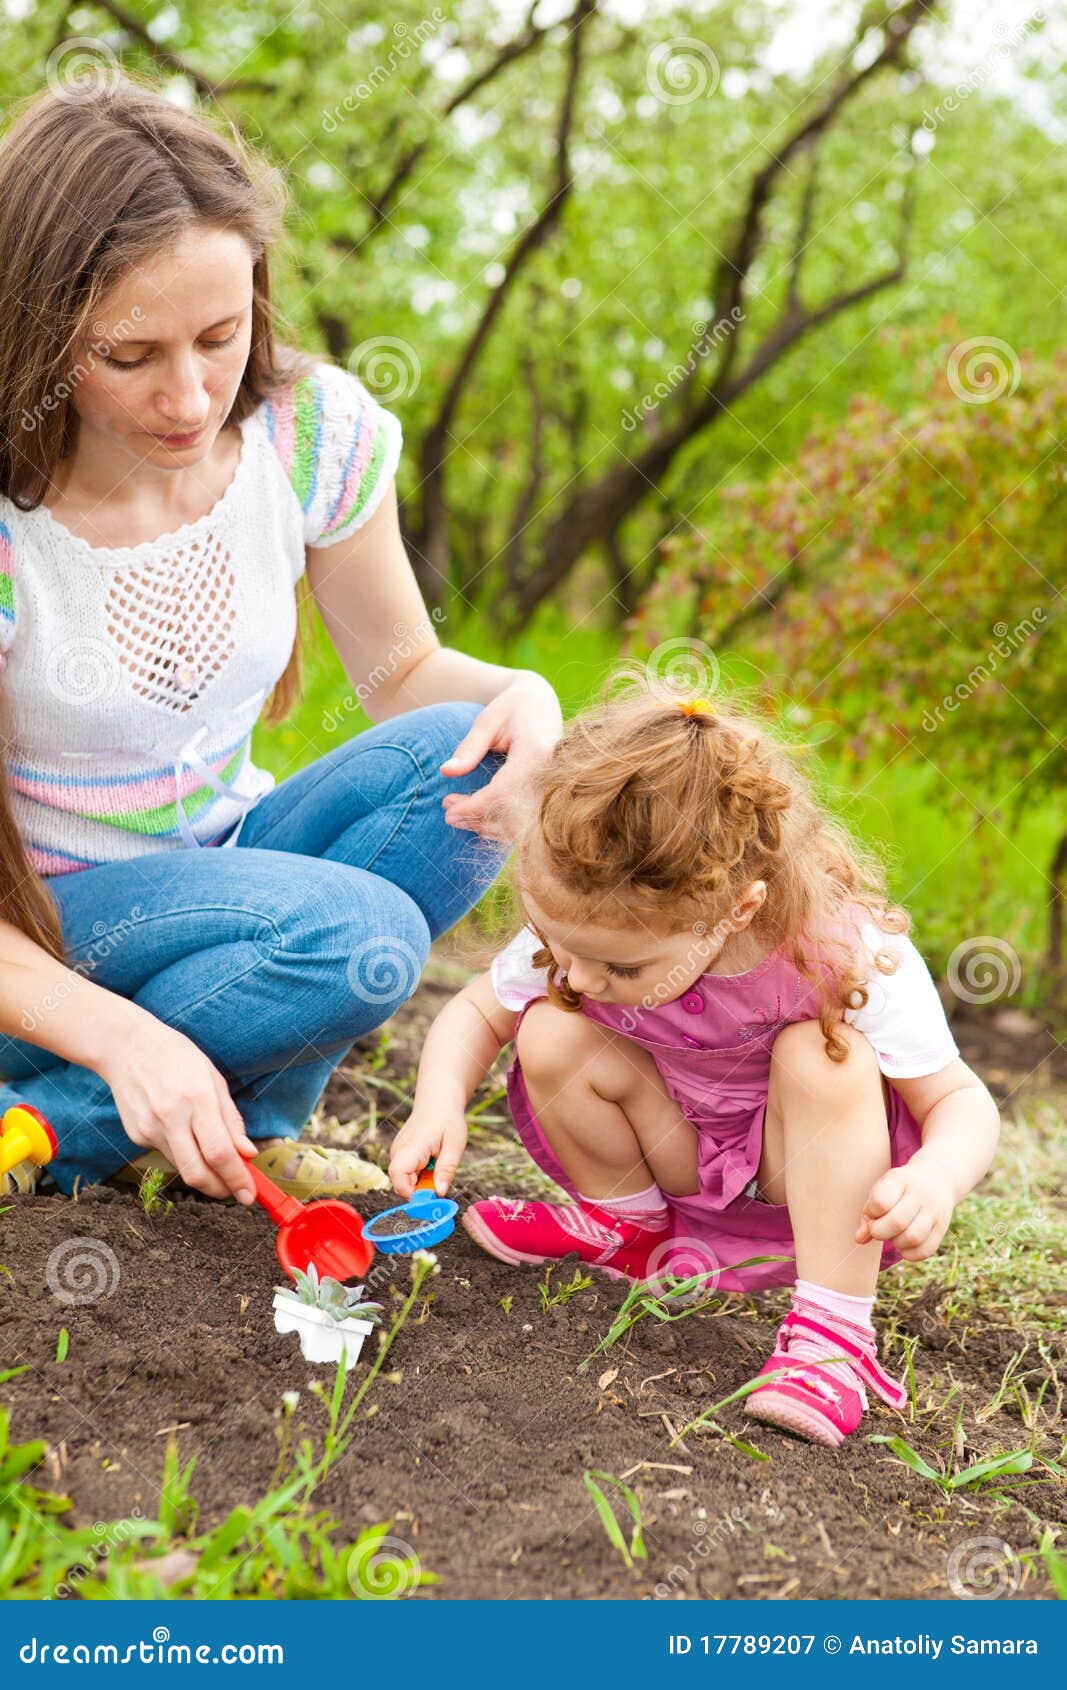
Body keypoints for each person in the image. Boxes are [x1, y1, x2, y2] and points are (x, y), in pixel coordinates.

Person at [0, 77, 561, 1203]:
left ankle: (166, 1121)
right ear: (35, 328)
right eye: (129, 355)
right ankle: (93, 1098)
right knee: (360, 939)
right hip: (47, 938)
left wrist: (528, 695)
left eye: (220, 334)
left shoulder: (306, 430)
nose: (191, 395)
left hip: (228, 871)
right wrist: (122, 1038)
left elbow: (404, 675)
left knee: (473, 754)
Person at [389, 683, 1001, 1448]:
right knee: (549, 1028)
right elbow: (479, 1012)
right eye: (560, 945)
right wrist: (438, 1101)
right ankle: (630, 1230)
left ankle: (833, 1336)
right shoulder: (591, 933)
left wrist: (935, 1177)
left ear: (735, 910)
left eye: (620, 966)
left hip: (801, 1185)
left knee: (819, 1054)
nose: (579, 974)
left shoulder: (844, 954)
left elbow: (960, 1101)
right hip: (679, 1150)